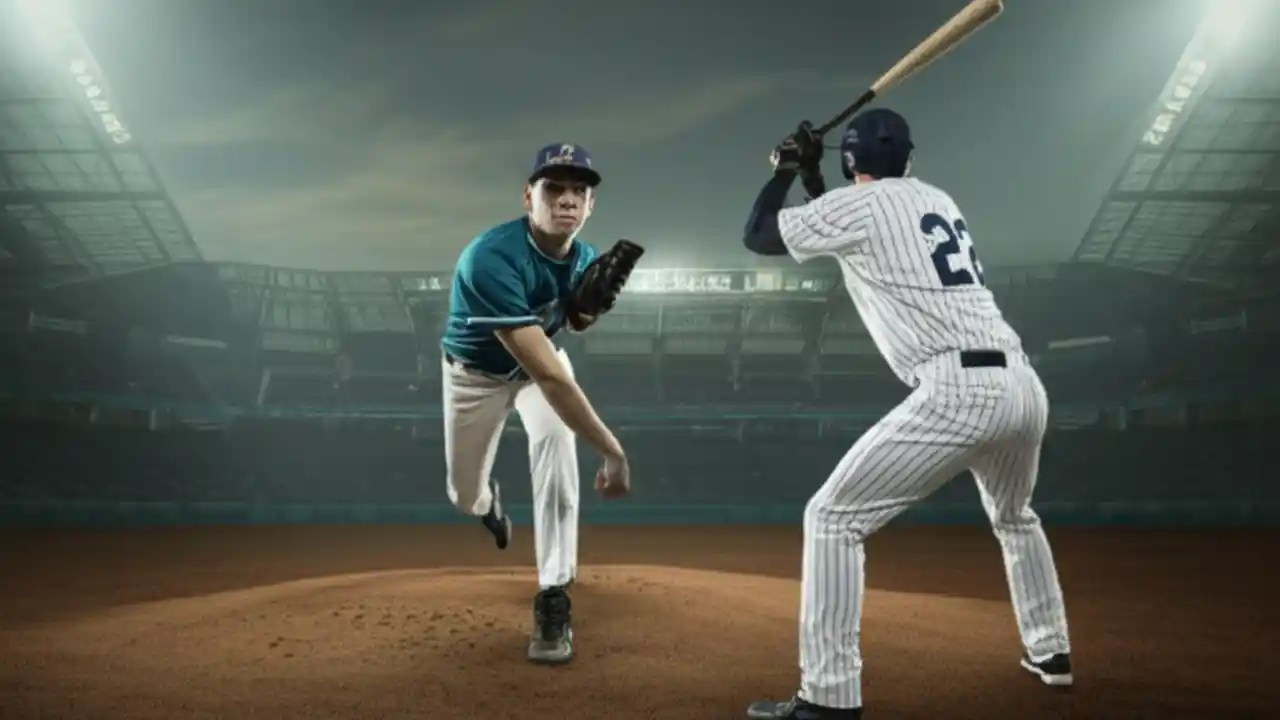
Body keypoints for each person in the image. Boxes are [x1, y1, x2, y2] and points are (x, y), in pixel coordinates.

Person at [739, 110, 1073, 719]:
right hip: (1023, 384)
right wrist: (813, 173)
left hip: (957, 388)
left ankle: (829, 697)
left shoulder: (861, 209)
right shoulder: (937, 200)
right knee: (1016, 515)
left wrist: (787, 169)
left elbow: (759, 233)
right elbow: (851, 228)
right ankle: (1051, 652)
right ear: (910, 159)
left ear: (851, 161)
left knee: (832, 519)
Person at [439, 142, 632, 665]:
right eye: (554, 188)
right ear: (529, 196)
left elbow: (568, 328)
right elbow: (550, 374)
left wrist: (588, 309)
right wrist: (613, 451)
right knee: (462, 494)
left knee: (556, 445)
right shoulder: (490, 257)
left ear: (590, 206)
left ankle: (553, 592)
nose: (567, 199)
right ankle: (487, 505)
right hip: (476, 377)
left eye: (580, 190)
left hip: (537, 365)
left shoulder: (586, 257)